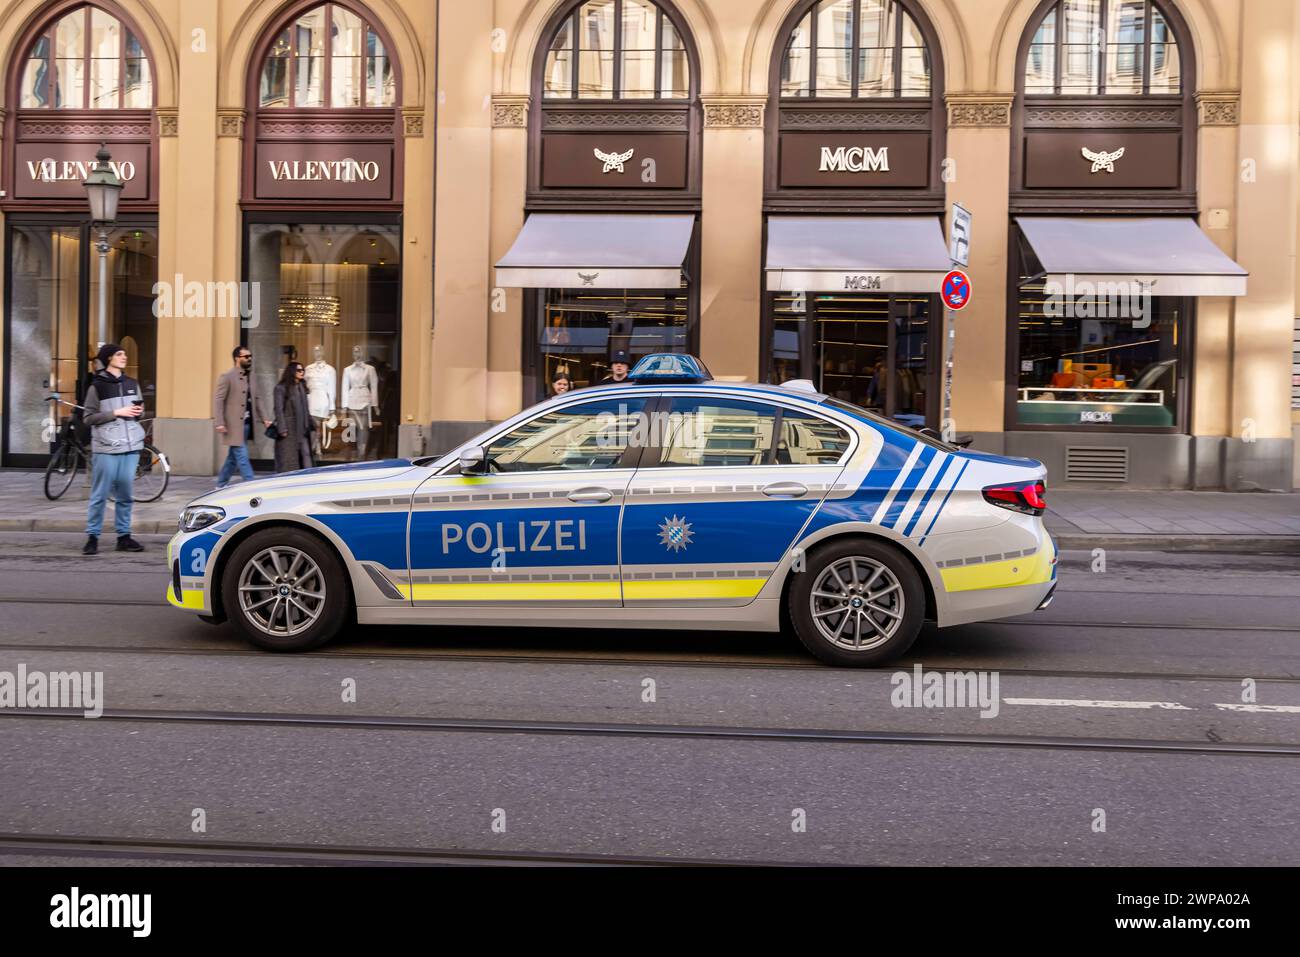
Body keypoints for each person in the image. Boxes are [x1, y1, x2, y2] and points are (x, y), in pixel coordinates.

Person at [81, 343, 146, 555]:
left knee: (126, 495)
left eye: (125, 354)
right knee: (99, 495)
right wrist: (117, 412)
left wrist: (138, 411)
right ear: (109, 358)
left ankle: (124, 537)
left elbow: (139, 413)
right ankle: (92, 537)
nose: (124, 357)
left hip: (130, 447)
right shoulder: (97, 386)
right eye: (119, 354)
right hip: (106, 449)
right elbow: (88, 417)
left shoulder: (132, 383)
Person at [214, 345, 271, 489]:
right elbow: (219, 400)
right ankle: (251, 486)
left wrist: (265, 418)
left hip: (246, 425)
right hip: (233, 425)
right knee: (243, 457)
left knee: (232, 459)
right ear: (237, 358)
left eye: (250, 356)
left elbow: (257, 398)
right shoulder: (227, 377)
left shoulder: (251, 376)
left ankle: (220, 484)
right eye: (246, 357)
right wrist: (219, 422)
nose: (249, 359)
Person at [273, 361, 314, 473]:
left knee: (306, 454)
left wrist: (311, 423)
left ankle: (309, 478)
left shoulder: (302, 386)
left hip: (303, 428)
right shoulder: (281, 388)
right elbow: (278, 409)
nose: (302, 372)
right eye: (299, 370)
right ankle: (290, 481)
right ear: (292, 372)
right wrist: (282, 428)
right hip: (289, 429)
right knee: (290, 459)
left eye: (303, 370)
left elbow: (305, 408)